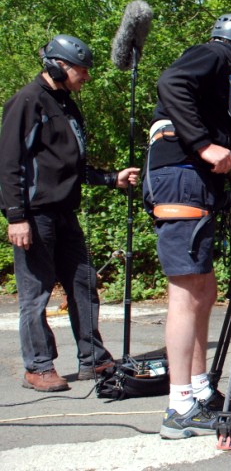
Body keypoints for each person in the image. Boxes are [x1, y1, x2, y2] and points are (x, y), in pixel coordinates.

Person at [144, 13, 231, 439]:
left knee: (203, 289)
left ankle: (197, 389)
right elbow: (170, 82)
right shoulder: (215, 53)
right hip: (181, 173)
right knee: (185, 292)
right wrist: (204, 143)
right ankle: (178, 408)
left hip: (192, 179)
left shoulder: (222, 68)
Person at [0, 34, 140, 392]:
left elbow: (71, 165)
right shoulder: (28, 101)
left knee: (83, 282)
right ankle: (39, 366)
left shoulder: (66, 103)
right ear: (58, 66)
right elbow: (8, 162)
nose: (87, 78)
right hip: (35, 215)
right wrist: (15, 216)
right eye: (82, 70)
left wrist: (111, 179)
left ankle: (93, 358)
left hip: (65, 213)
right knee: (36, 293)